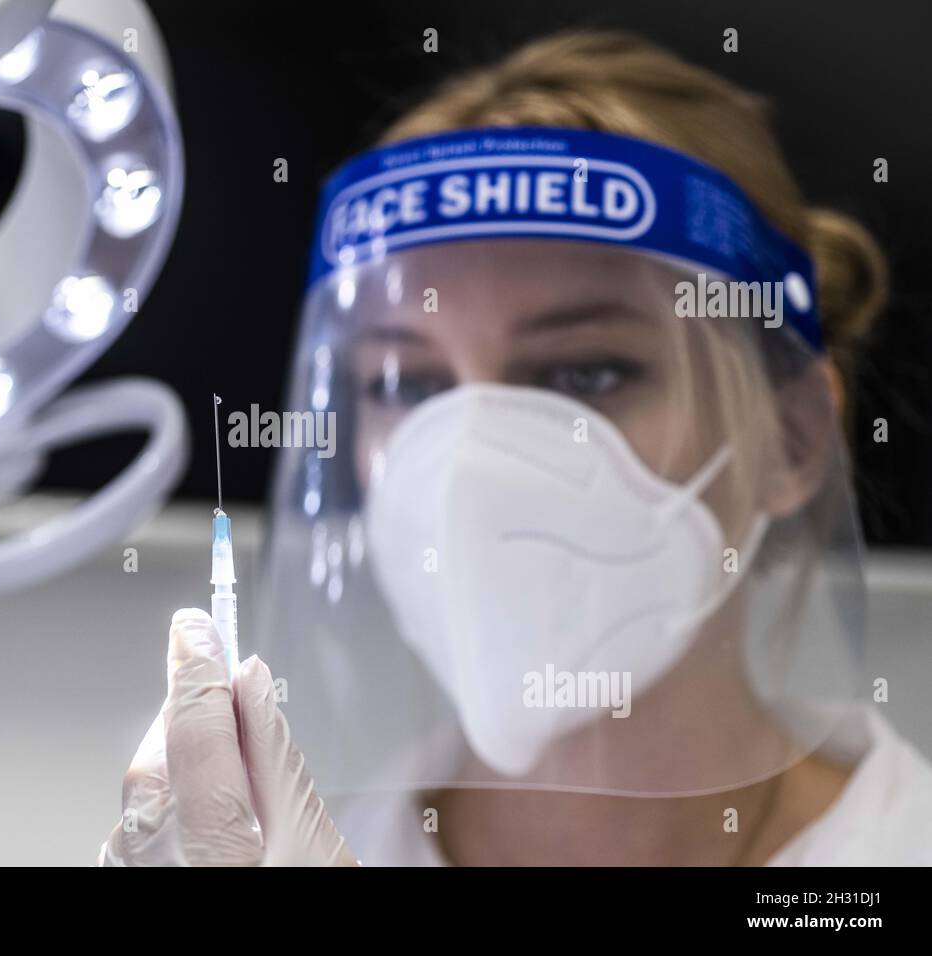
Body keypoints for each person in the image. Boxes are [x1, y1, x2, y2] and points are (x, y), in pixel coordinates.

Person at [99, 30, 932, 866]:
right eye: (407, 387)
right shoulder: (300, 850)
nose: (467, 468)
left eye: (583, 373)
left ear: (789, 439)